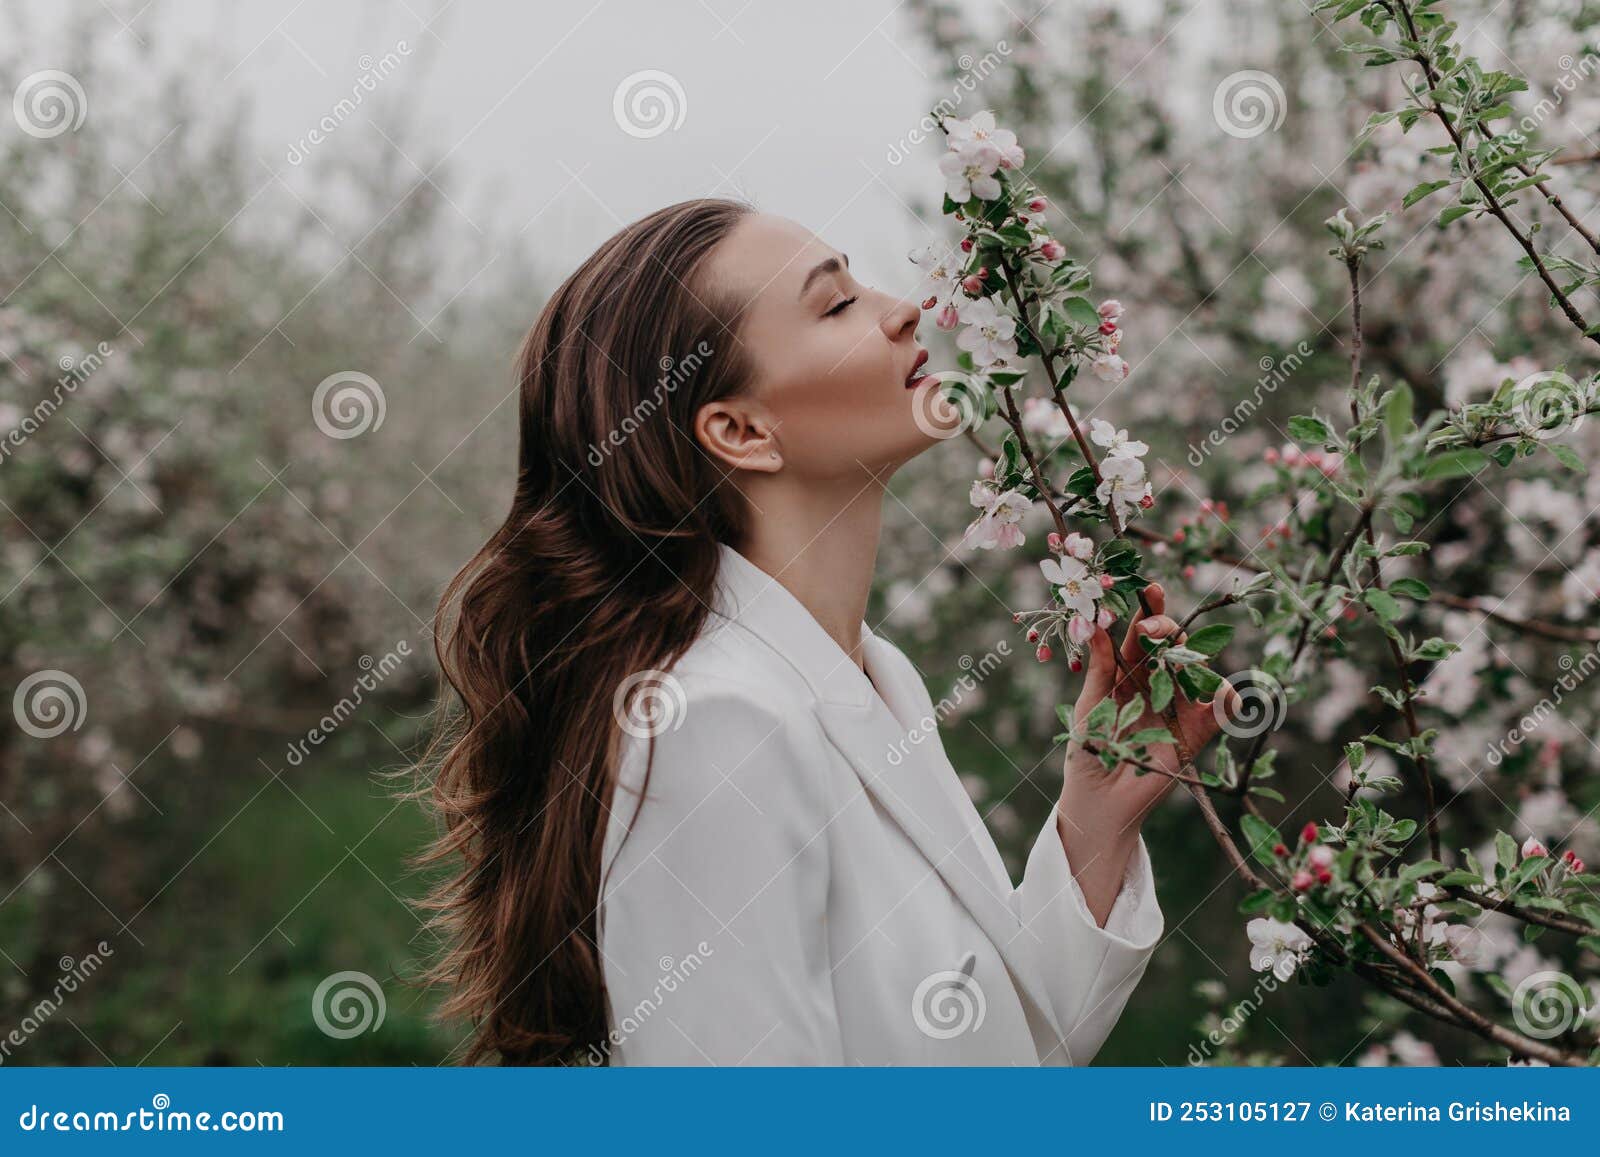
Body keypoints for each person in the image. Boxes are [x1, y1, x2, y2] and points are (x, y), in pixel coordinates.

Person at [418, 199, 1232, 1065]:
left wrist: (1095, 830)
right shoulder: (718, 726)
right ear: (741, 430)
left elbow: (999, 1054)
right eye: (837, 304)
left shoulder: (876, 679)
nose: (903, 309)